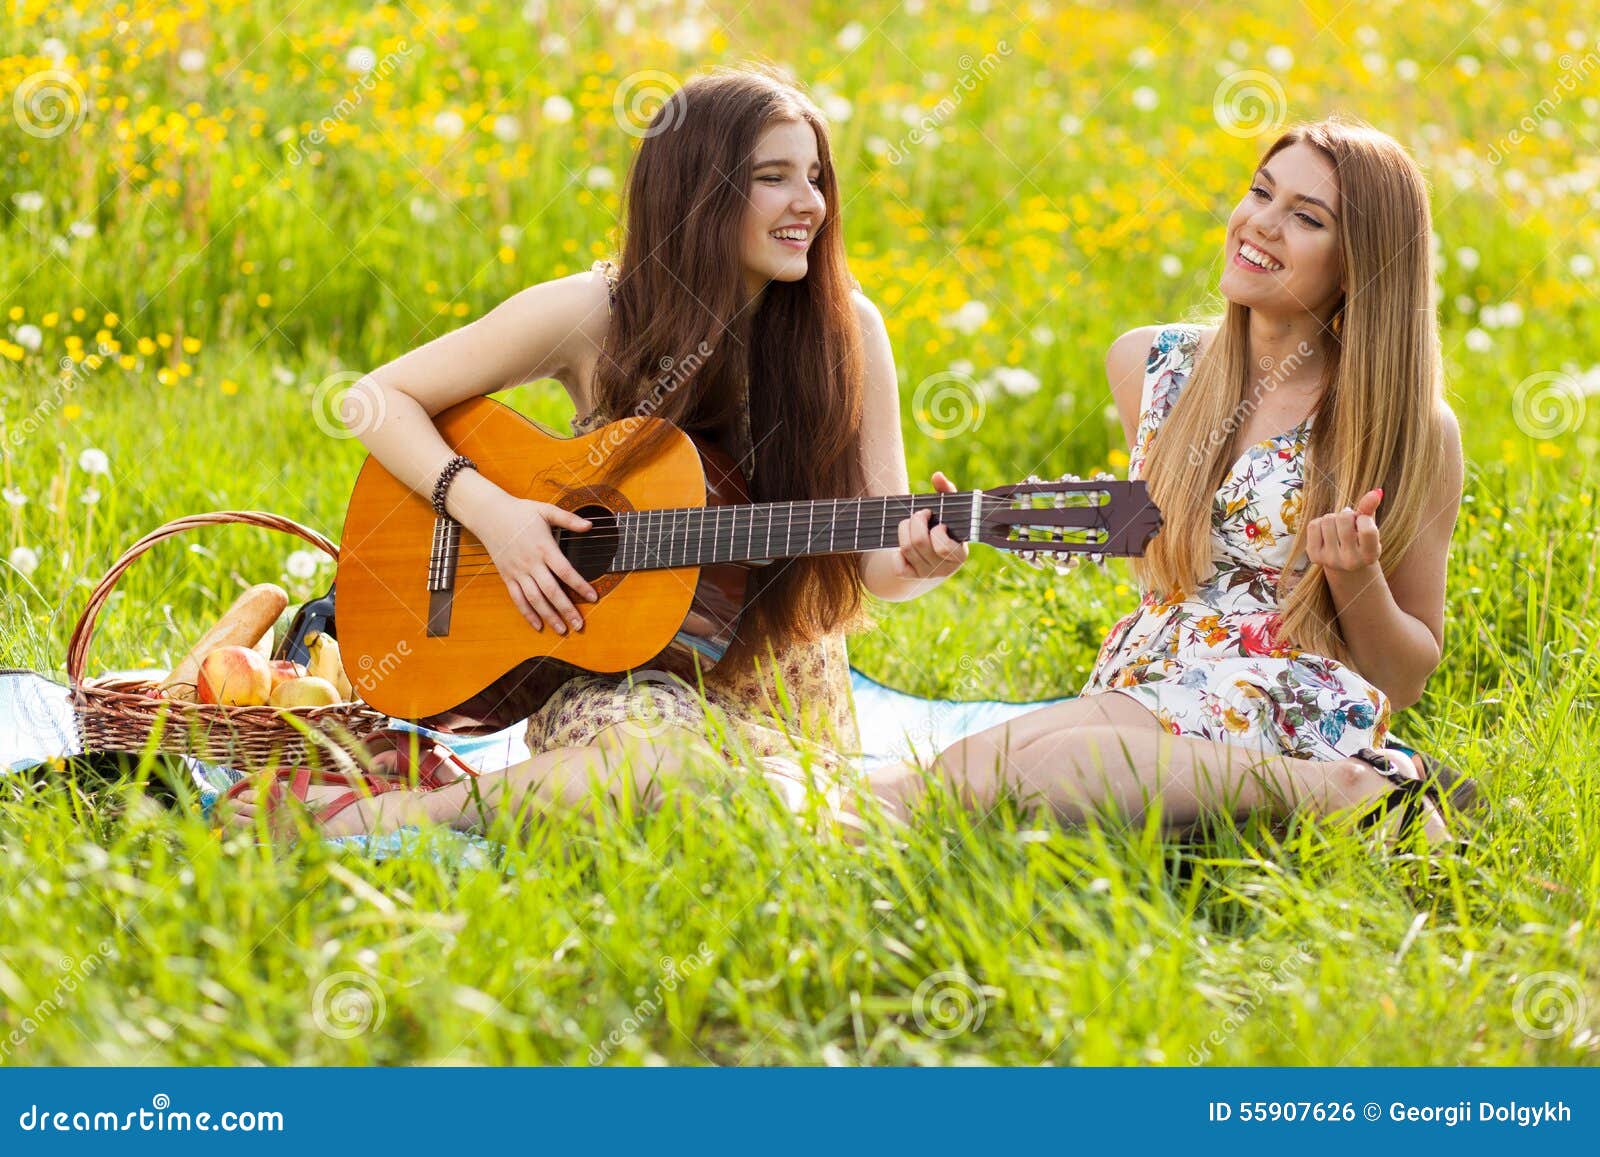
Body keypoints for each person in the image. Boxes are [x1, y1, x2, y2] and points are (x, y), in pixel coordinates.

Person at [221, 65, 968, 839]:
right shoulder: (597, 311)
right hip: (612, 670)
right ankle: (386, 816)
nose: (809, 203)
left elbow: (878, 561)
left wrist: (918, 562)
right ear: (697, 193)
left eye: (815, 176)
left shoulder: (848, 330)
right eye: (773, 177)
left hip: (776, 674)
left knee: (762, 819)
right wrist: (496, 515)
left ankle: (521, 795)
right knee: (654, 765)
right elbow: (373, 399)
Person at [859, 117, 1469, 849]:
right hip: (1146, 681)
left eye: (1306, 218)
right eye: (1260, 192)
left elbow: (1403, 676)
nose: (1262, 224)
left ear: (1359, 264)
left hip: (1286, 701)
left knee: (1013, 773)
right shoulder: (1150, 366)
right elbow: (1176, 582)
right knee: (920, 786)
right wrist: (1123, 535)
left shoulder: (1408, 427)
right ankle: (1349, 802)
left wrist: (1357, 575)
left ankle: (1345, 784)